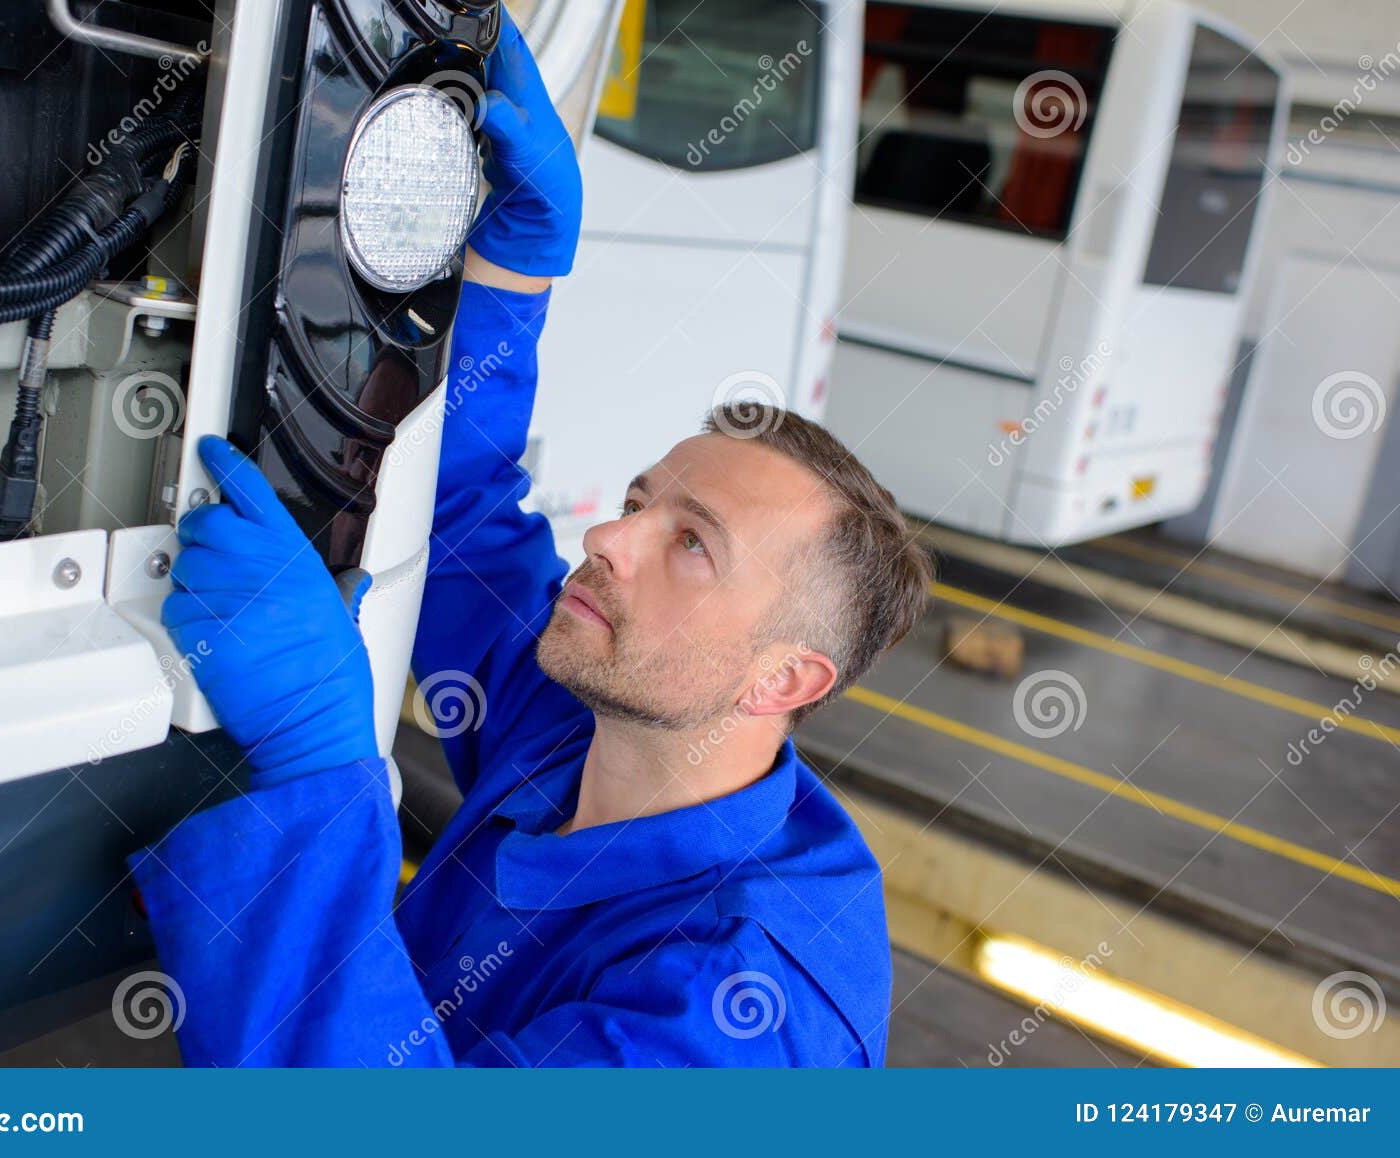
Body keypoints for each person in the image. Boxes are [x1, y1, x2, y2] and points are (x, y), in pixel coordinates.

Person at [136, 13, 933, 1068]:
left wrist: (317, 779)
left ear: (784, 676)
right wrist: (513, 270)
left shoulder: (746, 1018)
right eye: (643, 499)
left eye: (690, 544)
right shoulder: (586, 728)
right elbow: (455, 513)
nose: (609, 534)